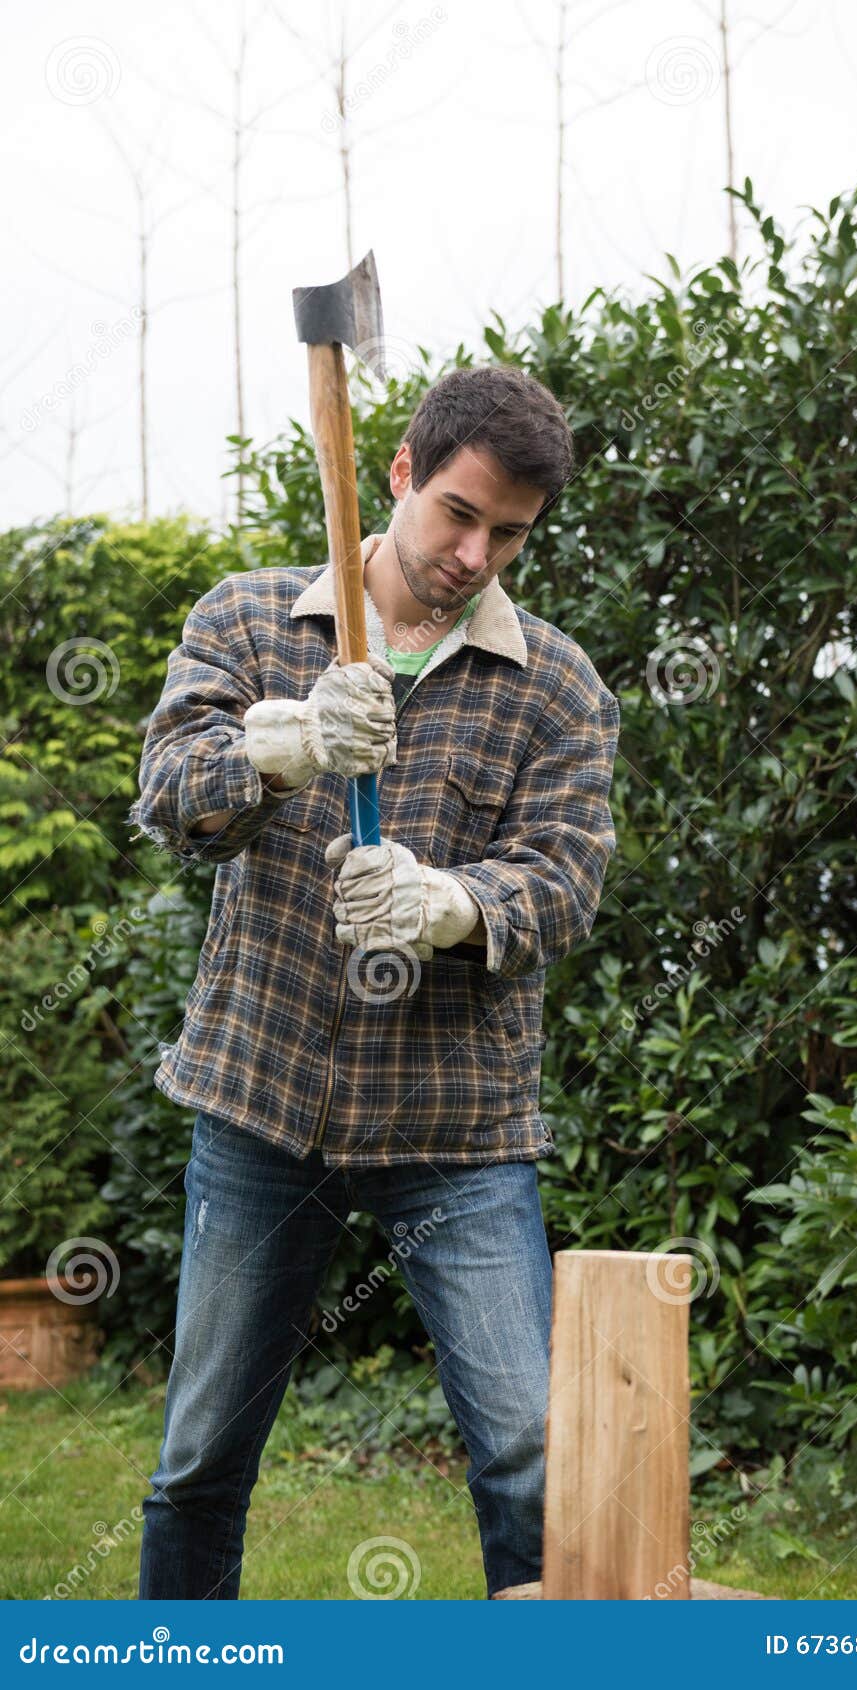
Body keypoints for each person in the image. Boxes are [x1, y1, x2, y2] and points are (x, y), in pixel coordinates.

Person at [128, 363, 621, 1600]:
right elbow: (170, 797)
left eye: (510, 533)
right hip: (261, 1100)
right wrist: (281, 743)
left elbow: (563, 882)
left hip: (458, 1124)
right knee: (198, 1461)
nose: (475, 553)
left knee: (528, 1458)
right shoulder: (248, 620)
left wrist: (451, 902)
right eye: (459, 512)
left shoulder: (557, 685)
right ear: (398, 472)